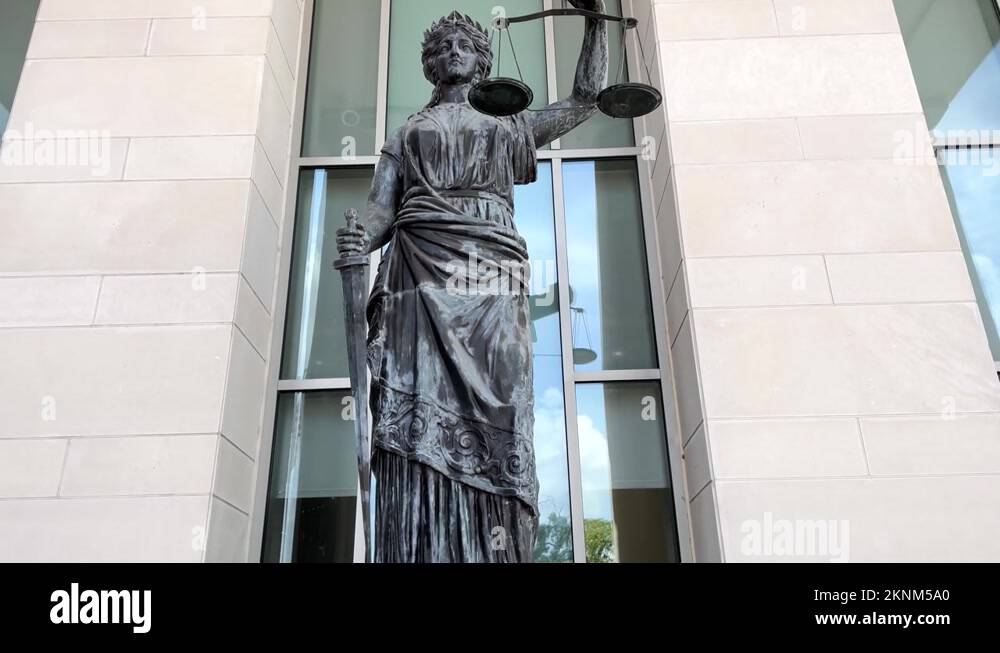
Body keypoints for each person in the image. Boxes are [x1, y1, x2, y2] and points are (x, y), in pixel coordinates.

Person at [336, 0, 608, 562]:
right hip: (420, 275)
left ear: (483, 61)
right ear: (431, 65)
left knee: (505, 401)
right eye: (442, 47)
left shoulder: (507, 127)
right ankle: (425, 543)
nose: (452, 52)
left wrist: (596, 23)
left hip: (492, 276)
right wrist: (357, 239)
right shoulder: (410, 131)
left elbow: (585, 101)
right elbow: (379, 212)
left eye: (463, 45)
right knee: (415, 409)